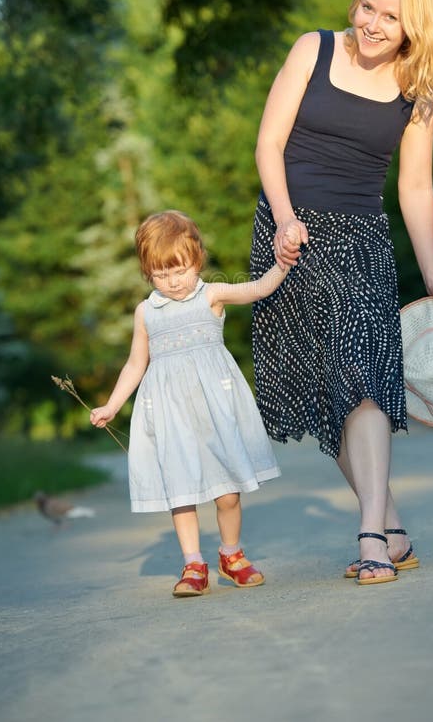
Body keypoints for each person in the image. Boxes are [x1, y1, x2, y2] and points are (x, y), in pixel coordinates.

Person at [249, 0, 433, 585]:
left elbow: (417, 188)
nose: (372, 23)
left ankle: (371, 535)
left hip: (360, 241)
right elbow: (269, 143)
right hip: (288, 236)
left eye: (390, 16)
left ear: (412, 27)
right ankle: (390, 525)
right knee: (329, 391)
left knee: (364, 376)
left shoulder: (417, 90)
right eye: (367, 6)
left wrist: (431, 273)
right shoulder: (311, 50)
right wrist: (286, 220)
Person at [90, 210, 286, 597]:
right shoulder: (147, 312)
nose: (173, 282)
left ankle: (231, 556)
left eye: (179, 271)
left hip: (214, 409)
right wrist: (113, 404)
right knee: (181, 491)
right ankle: (193, 564)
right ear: (148, 273)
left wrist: (282, 263)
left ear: (196, 260)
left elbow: (258, 289)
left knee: (228, 491)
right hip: (170, 414)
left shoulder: (211, 295)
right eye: (161, 275)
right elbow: (135, 362)